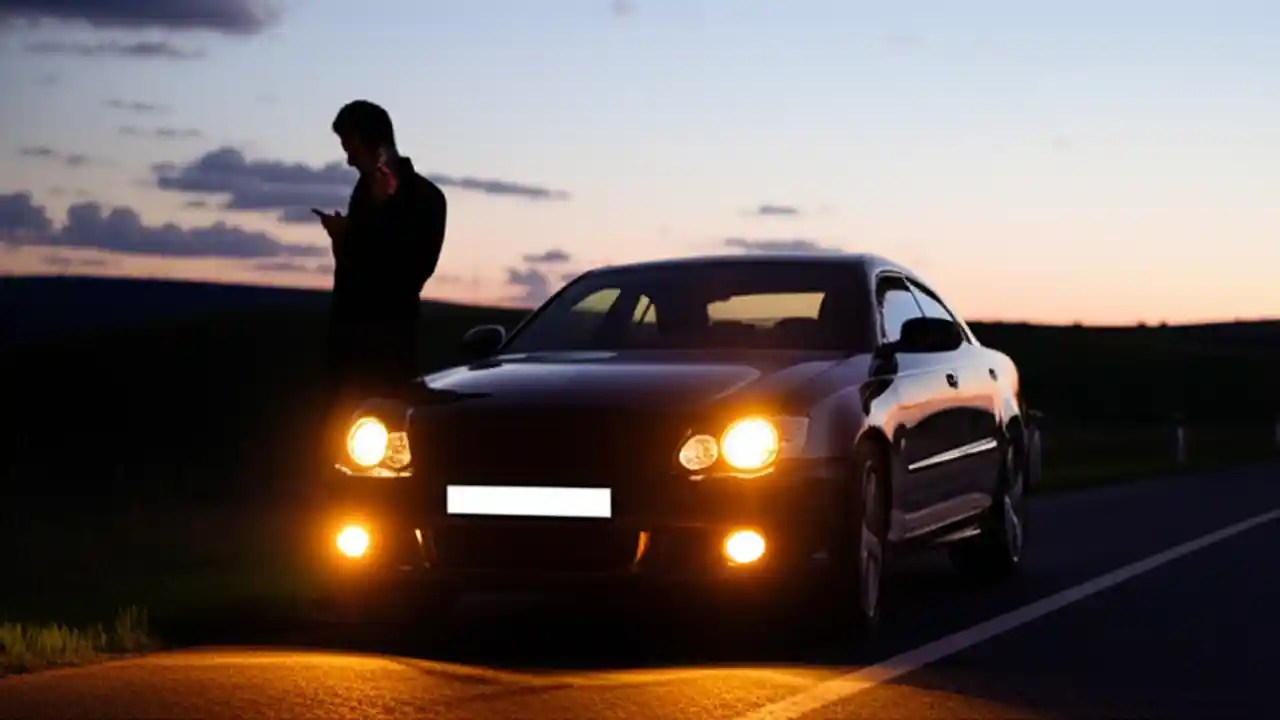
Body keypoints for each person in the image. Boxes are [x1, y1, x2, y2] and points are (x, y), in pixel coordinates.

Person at [314, 100, 447, 442]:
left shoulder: (426, 199)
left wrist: (351, 236)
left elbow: (406, 274)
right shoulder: (365, 192)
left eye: (350, 147)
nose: (347, 158)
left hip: (385, 357)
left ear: (369, 140)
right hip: (354, 353)